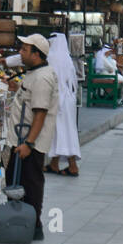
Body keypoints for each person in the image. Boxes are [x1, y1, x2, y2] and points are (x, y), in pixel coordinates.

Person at [0, 33, 57, 240]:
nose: (20, 52)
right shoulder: (34, 73)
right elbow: (30, 99)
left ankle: (32, 225)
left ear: (36, 54)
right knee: (15, 180)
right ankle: (12, 220)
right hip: (21, 139)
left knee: (30, 183)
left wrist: (29, 143)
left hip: (29, 142)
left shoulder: (43, 78)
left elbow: (40, 113)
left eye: (25, 50)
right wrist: (16, 88)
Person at [45, 32, 81, 176]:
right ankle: (54, 164)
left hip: (58, 100)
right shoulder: (67, 58)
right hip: (68, 100)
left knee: (64, 133)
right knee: (60, 132)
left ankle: (73, 166)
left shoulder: (52, 58)